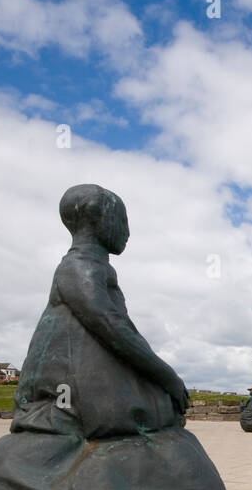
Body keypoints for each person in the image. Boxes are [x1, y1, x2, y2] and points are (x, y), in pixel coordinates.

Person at [12, 184, 189, 439]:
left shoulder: (94, 267)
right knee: (158, 409)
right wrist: (167, 375)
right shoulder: (78, 267)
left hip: (86, 376)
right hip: (71, 387)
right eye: (122, 221)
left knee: (162, 406)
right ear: (97, 218)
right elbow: (110, 325)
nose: (127, 232)